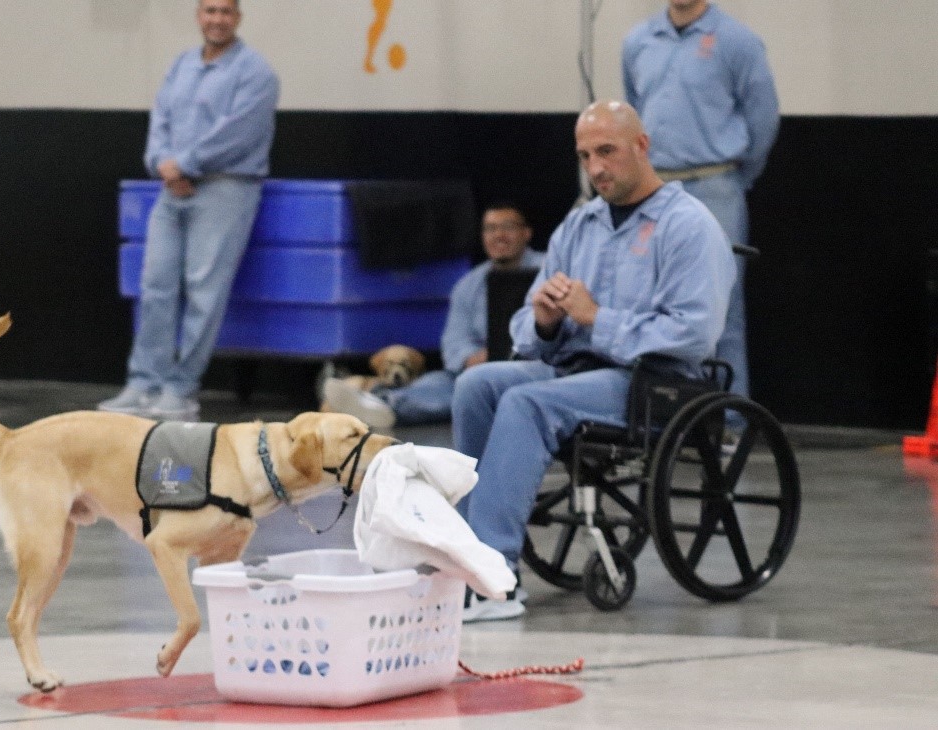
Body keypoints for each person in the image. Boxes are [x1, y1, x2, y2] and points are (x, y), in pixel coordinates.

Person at [452, 100, 735, 622]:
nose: (597, 167)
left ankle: (495, 579)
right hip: (576, 370)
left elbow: (693, 335)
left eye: (607, 151)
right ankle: (462, 561)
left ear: (641, 147)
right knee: (478, 385)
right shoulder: (579, 226)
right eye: (586, 156)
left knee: (526, 402)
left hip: (654, 384)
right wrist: (544, 320)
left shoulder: (689, 226)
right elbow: (528, 332)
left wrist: (597, 318)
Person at [99, 0, 279, 421]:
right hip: (171, 190)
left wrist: (185, 163)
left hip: (226, 189)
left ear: (238, 17)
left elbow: (238, 132)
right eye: (209, 10)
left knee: (204, 291)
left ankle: (180, 389)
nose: (217, 19)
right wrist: (162, 162)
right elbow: (159, 119)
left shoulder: (254, 71)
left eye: (226, 11)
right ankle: (143, 382)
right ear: (198, 15)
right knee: (155, 286)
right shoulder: (181, 65)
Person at [622, 0, 779, 406]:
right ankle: (659, 412)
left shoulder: (738, 41)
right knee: (647, 300)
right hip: (655, 189)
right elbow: (633, 118)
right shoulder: (638, 40)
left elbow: (764, 119)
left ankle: (727, 418)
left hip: (714, 185)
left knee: (721, 306)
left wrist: (735, 176)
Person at [321, 202, 547, 429]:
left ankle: (379, 405)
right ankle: (380, 402)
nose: (499, 235)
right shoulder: (468, 285)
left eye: (507, 227)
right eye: (490, 228)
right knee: (440, 383)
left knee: (469, 390)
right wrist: (472, 358)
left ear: (526, 233)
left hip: (534, 370)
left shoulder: (549, 271)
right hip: (480, 371)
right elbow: (454, 341)